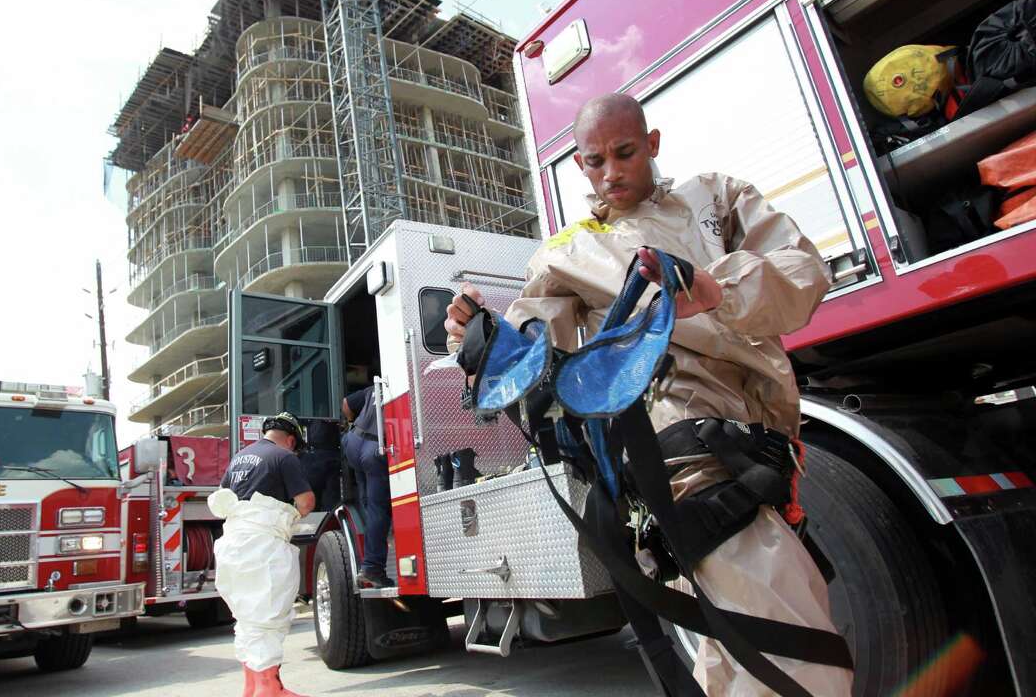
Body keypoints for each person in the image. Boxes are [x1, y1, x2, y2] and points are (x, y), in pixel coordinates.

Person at [444, 93, 852, 696]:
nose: (611, 172)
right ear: (578, 166)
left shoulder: (715, 197)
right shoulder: (566, 253)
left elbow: (803, 274)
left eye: (625, 152)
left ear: (652, 143)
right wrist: (475, 340)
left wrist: (717, 289)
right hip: (682, 455)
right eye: (594, 161)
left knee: (732, 652)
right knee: (801, 666)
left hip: (764, 441)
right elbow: (533, 363)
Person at [209, 412, 315, 697]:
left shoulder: (238, 459)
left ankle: (253, 687)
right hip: (263, 548)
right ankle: (270, 690)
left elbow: (223, 501)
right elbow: (306, 501)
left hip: (233, 546)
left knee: (248, 620)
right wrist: (291, 516)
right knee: (269, 618)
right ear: (291, 440)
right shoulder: (284, 457)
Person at [339, 386, 394, 588]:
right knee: (379, 509)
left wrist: (353, 421)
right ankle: (372, 566)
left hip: (354, 441)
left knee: (369, 504)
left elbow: (346, 403)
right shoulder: (401, 381)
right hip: (374, 449)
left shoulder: (375, 386)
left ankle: (367, 554)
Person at [300, 418, 342, 510]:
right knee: (330, 499)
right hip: (328, 455)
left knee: (324, 499)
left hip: (317, 456)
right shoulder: (327, 418)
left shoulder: (313, 417)